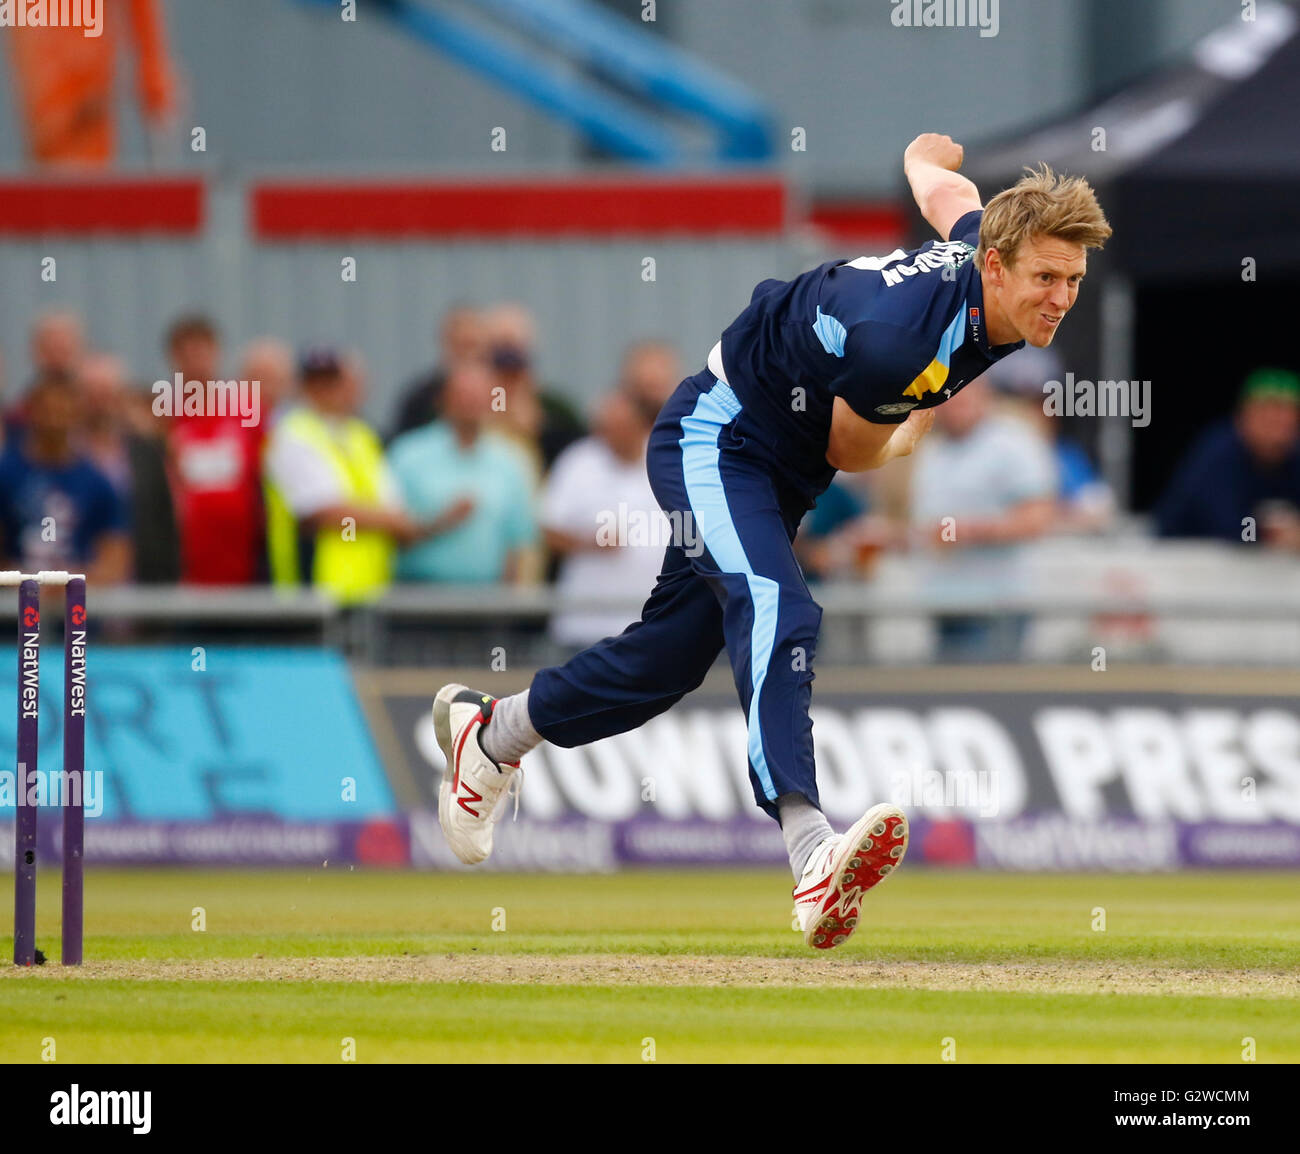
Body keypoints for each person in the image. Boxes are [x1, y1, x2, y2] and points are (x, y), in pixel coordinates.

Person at [432, 135, 1111, 950]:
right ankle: (810, 850)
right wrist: (917, 421)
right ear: (995, 268)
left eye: (1073, 280)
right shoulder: (898, 347)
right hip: (719, 439)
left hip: (776, 468)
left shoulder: (983, 252)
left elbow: (952, 200)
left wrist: (920, 162)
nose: (1061, 298)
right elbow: (853, 451)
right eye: (1046, 278)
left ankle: (493, 734)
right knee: (777, 606)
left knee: (667, 660)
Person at [909, 378, 1057, 661]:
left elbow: (1036, 519)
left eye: (960, 398)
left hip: (995, 605)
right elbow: (928, 525)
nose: (951, 407)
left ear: (983, 396)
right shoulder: (934, 448)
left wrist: (964, 531)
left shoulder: (1012, 443)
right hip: (944, 602)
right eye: (946, 399)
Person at [263, 348, 419, 604]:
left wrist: (387, 520)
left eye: (332, 381)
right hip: (312, 590)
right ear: (303, 387)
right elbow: (322, 512)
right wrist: (389, 521)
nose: (326, 390)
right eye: (316, 382)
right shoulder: (293, 433)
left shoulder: (361, 435)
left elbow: (391, 504)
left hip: (369, 588)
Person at [542, 373, 672, 649]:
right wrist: (589, 543)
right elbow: (547, 530)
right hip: (585, 626)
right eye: (606, 427)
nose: (611, 435)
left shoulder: (666, 457)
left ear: (640, 425)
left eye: (621, 427)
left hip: (654, 625)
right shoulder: (578, 461)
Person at [387, 358, 540, 585]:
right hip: (418, 591)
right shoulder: (407, 455)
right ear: (442, 399)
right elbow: (388, 529)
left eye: (479, 395)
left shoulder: (509, 461)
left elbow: (516, 541)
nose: (471, 403)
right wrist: (438, 523)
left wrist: (509, 599)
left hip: (487, 594)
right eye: (463, 395)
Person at [162, 315, 266, 585]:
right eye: (186, 354)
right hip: (188, 559)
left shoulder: (246, 408)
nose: (195, 362)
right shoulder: (165, 417)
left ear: (216, 352)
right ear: (174, 358)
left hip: (243, 556)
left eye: (201, 352)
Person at [0, 372, 131, 583]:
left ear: (77, 415)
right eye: (47, 411)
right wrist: (21, 580)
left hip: (76, 601)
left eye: (62, 412)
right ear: (31, 411)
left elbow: (115, 556)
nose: (54, 421)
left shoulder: (96, 482)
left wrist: (73, 583)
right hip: (15, 599)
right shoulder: (6, 474)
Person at [1154, 368, 1300, 550]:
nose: (1276, 427)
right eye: (1267, 416)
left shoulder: (1294, 457)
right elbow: (1225, 526)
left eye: (1285, 417)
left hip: (1257, 559)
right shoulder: (1218, 453)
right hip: (1180, 554)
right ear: (1242, 416)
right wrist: (1273, 534)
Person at [78, 352, 180, 583]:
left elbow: (164, 524)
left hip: (139, 586)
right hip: (78, 583)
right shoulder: (65, 454)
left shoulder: (146, 453)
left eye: (106, 393)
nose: (100, 403)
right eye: (92, 394)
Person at [388, 306, 488, 441]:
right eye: (460, 344)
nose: (466, 354)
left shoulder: (498, 392)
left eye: (472, 345)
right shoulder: (421, 397)